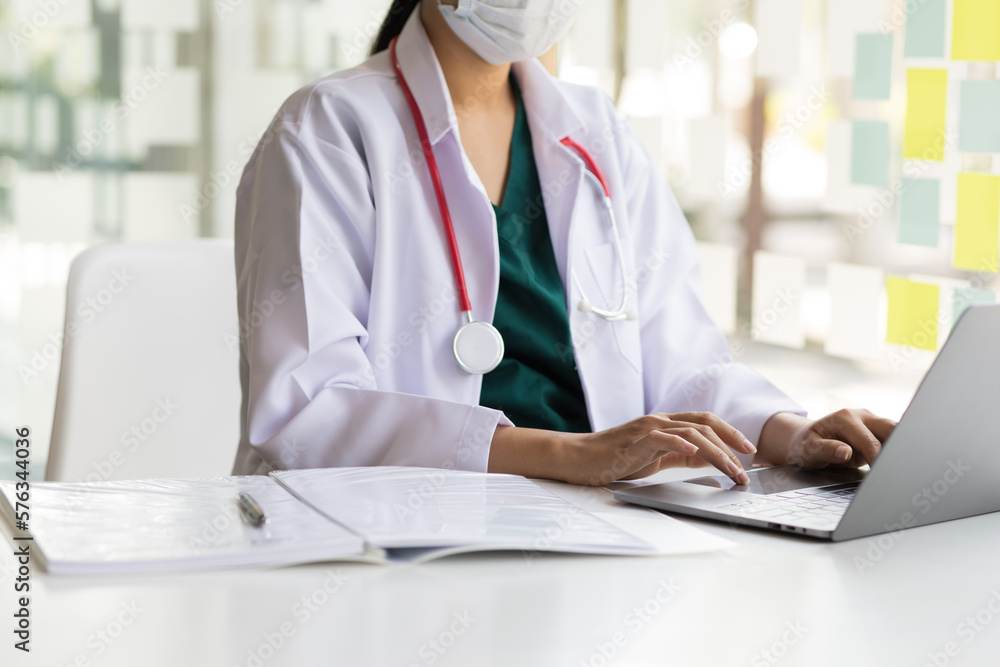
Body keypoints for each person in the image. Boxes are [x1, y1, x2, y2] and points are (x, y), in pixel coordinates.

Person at [231, 0, 896, 486]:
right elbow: (307, 409)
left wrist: (792, 432)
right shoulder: (327, 129)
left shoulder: (596, 135)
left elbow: (683, 362)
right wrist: (572, 455)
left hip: (588, 525)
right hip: (392, 542)